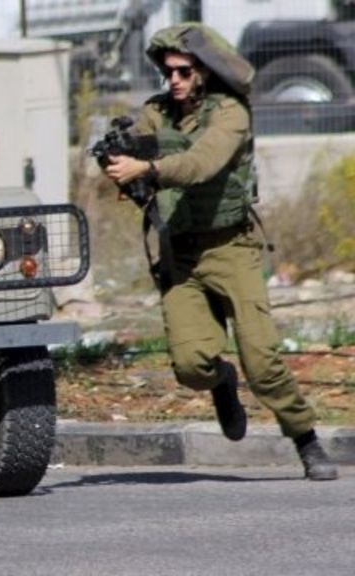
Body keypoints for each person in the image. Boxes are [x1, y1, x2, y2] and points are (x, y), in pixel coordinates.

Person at [102, 23, 338, 481]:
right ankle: (221, 383)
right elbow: (135, 136)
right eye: (168, 72)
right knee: (191, 366)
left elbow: (200, 163)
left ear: (205, 73)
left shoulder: (230, 114)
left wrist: (147, 167)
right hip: (180, 256)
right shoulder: (158, 113)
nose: (174, 80)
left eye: (184, 72)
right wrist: (118, 153)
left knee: (264, 362)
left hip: (231, 248)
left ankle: (305, 439)